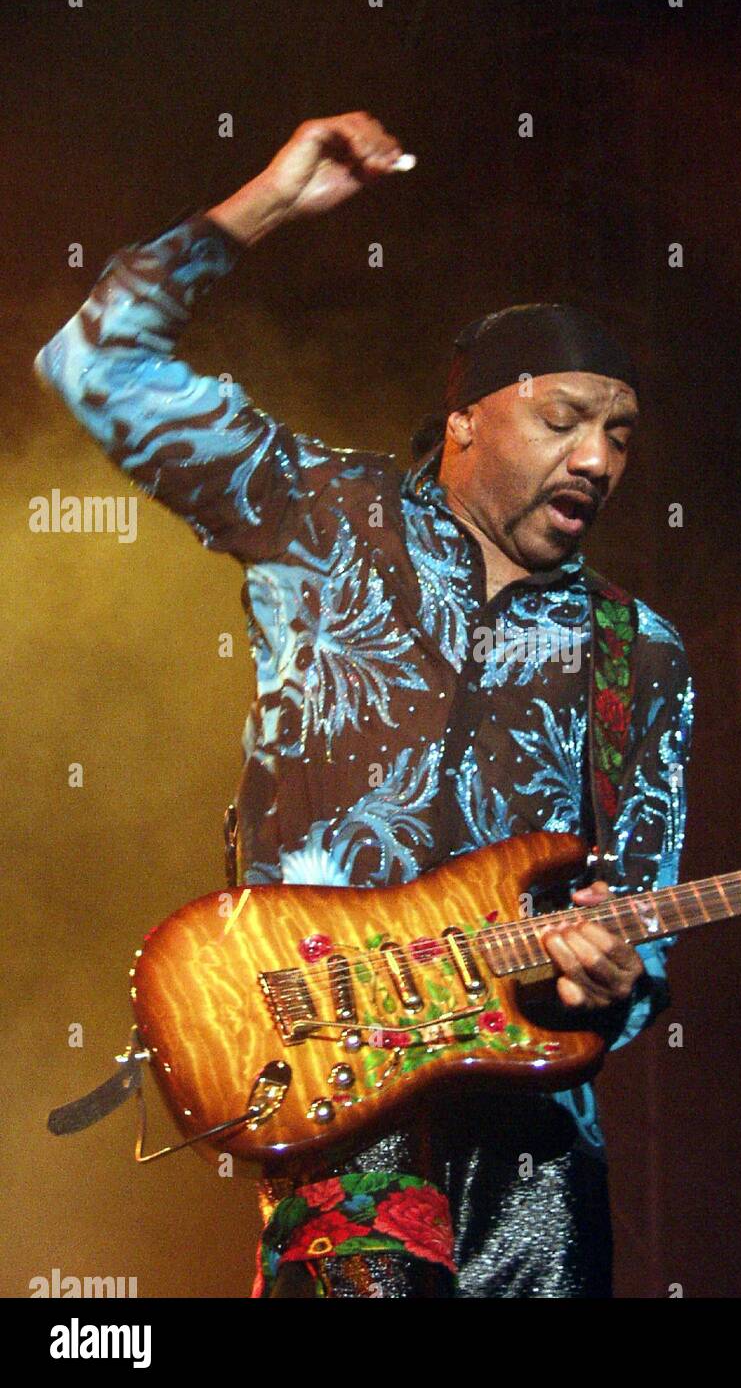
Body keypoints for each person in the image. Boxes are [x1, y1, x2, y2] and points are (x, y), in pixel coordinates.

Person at [35, 112, 695, 1298]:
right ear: (463, 419)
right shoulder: (324, 517)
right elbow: (96, 361)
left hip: (534, 1151)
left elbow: (637, 924)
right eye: (562, 419)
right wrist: (265, 205)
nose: (596, 457)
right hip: (337, 1103)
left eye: (619, 433)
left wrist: (614, 980)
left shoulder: (638, 653)